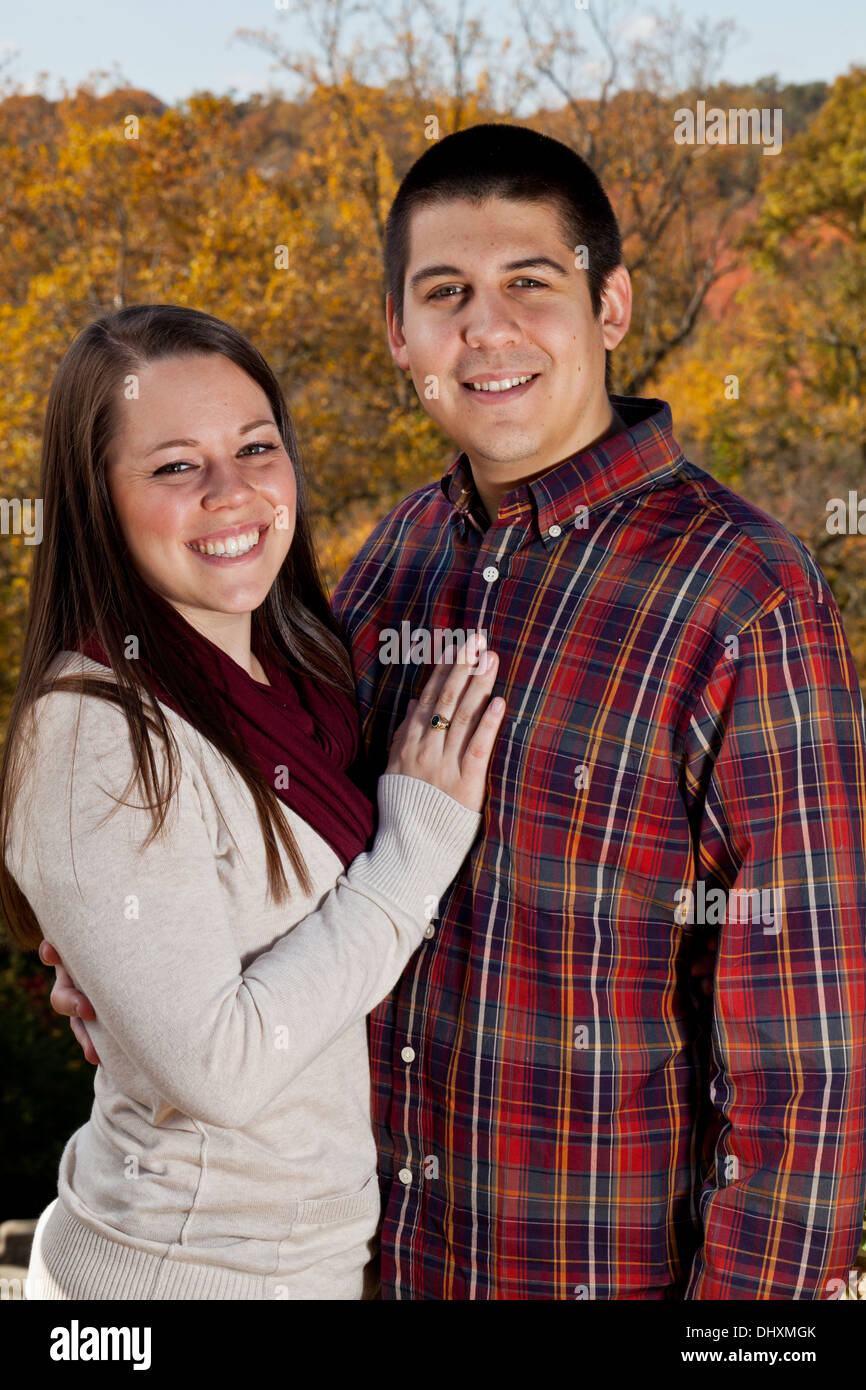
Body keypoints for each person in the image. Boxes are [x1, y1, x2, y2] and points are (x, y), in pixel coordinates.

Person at [47, 123, 866, 1300]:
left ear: (611, 306)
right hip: (358, 1268)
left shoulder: (743, 596)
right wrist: (114, 951)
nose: (486, 329)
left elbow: (810, 1062)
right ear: (399, 333)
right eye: (446, 293)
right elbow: (252, 839)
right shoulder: (395, 558)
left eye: (529, 284)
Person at [0, 303, 507, 1300]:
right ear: (97, 501)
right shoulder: (94, 730)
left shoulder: (305, 666)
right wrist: (413, 856)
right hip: (172, 1281)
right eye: (175, 466)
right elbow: (220, 1071)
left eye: (254, 448)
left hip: (304, 1268)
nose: (231, 493)